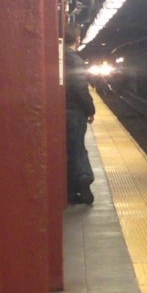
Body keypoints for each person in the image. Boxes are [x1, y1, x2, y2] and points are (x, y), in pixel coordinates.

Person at [65, 28, 97, 204]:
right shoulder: (75, 60)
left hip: (59, 110)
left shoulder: (56, 57)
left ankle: (71, 191)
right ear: (77, 40)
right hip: (75, 112)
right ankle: (83, 176)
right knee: (77, 148)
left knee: (69, 150)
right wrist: (90, 109)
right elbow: (80, 87)